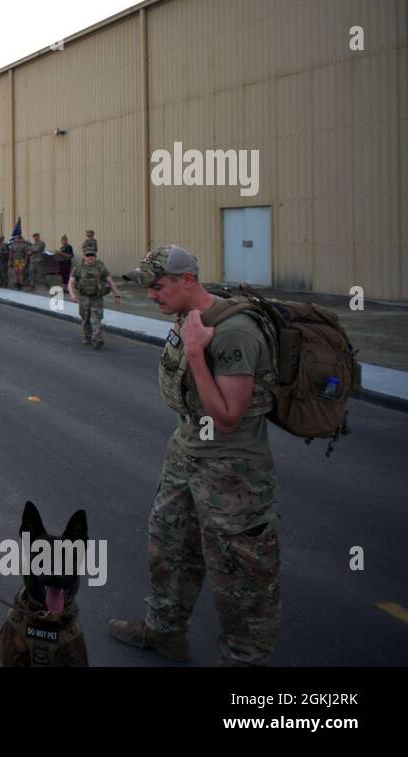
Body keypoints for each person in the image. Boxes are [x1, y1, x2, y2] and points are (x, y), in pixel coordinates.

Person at [110, 246, 281, 666]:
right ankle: (164, 629)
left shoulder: (236, 333)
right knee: (168, 548)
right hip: (185, 455)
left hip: (232, 474)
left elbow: (227, 416)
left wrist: (194, 353)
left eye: (159, 285)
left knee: (239, 576)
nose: (151, 294)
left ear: (188, 280)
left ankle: (243, 660)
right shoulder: (187, 320)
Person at [67, 244, 121, 348]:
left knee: (96, 319)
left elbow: (110, 281)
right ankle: (87, 337)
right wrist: (72, 294)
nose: (90, 257)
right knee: (85, 319)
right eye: (88, 255)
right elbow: (71, 283)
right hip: (83, 298)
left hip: (96, 298)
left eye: (92, 255)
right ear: (84, 256)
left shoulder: (100, 267)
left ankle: (97, 339)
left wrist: (117, 295)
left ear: (95, 256)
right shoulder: (78, 268)